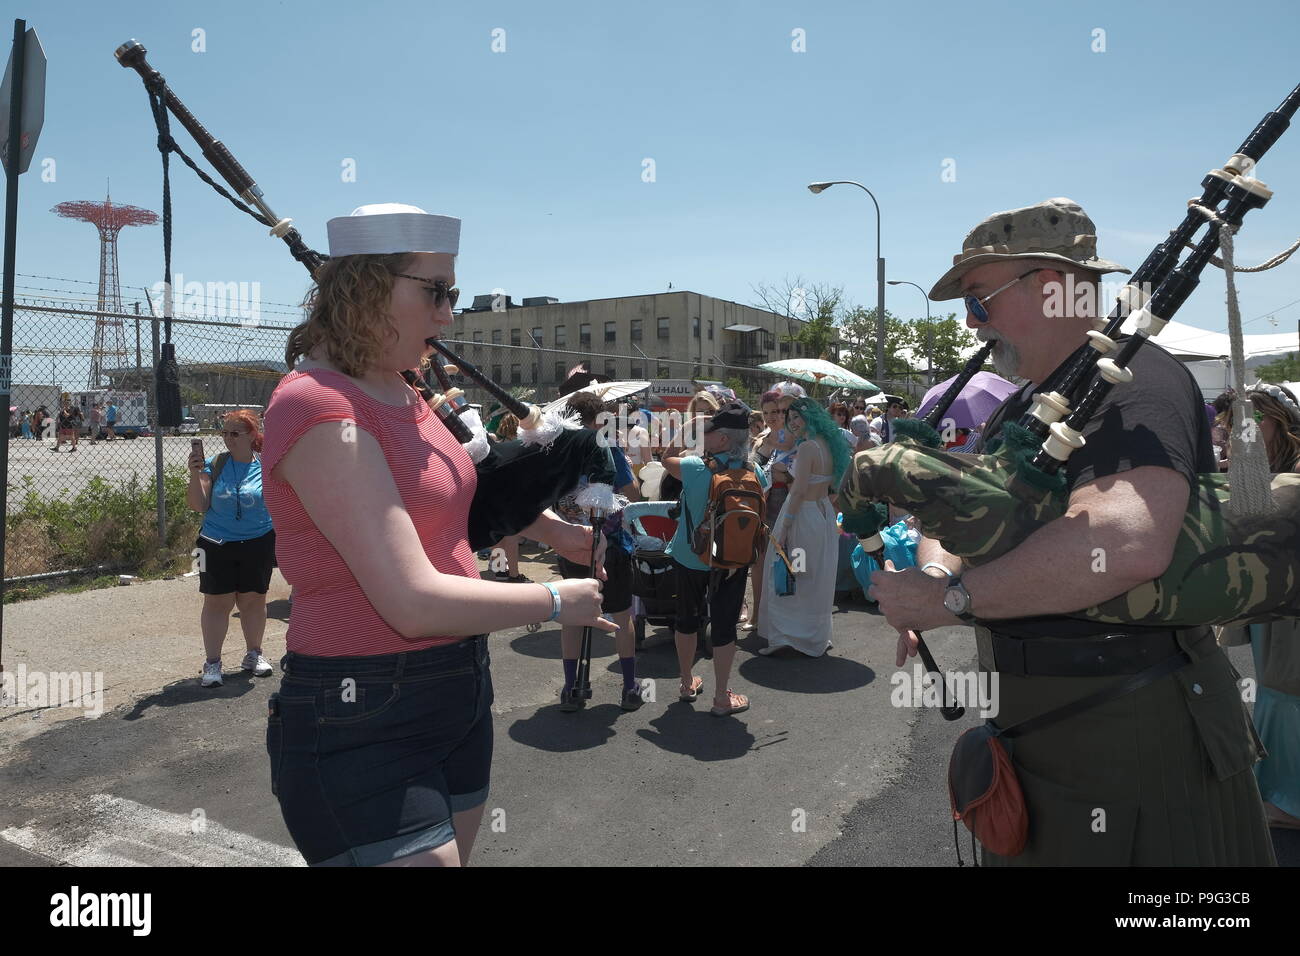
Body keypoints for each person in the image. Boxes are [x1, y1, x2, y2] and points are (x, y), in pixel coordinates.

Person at [868, 196, 1275, 865]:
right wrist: (939, 570)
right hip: (1045, 728)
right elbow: (963, 504)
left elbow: (1124, 541)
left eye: (979, 300)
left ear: (1050, 287)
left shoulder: (1135, 382)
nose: (974, 326)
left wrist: (950, 603)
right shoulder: (1031, 402)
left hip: (1135, 733)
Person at [260, 203, 612, 867]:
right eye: (437, 293)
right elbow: (411, 600)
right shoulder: (317, 402)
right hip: (358, 702)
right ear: (365, 287)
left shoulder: (404, 387)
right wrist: (561, 600)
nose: (449, 314)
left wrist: (560, 534)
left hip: (458, 687)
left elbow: (450, 495)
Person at [1218, 383, 1300, 831]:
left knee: (1287, 688)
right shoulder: (1268, 470)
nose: (1230, 434)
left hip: (1290, 612)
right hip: (1280, 609)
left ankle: (1289, 802)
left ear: (1272, 424)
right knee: (1278, 687)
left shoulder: (1293, 474)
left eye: (1241, 424)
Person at [664, 401, 768, 716]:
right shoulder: (756, 471)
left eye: (709, 432)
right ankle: (722, 696)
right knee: (724, 627)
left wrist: (687, 426)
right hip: (732, 561)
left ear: (722, 440)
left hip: (690, 556)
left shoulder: (695, 468)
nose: (704, 435)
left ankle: (686, 683)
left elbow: (664, 457)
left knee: (686, 620)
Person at [551, 392, 642, 712]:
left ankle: (569, 686)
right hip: (612, 543)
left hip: (569, 543)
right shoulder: (606, 447)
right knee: (620, 614)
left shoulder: (557, 449)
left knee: (572, 618)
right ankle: (630, 687)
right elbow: (633, 492)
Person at [186, 410, 277, 687]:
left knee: (253, 600)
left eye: (234, 434)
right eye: (224, 433)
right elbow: (198, 505)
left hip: (258, 541)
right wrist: (195, 473)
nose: (228, 439)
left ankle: (254, 654)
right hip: (216, 543)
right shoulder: (216, 464)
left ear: (253, 435)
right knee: (217, 602)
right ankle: (212, 663)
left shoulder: (265, 464)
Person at [757, 397, 849, 657]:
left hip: (802, 516)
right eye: (791, 417)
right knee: (815, 576)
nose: (793, 422)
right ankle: (813, 636)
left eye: (798, 417)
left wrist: (784, 528)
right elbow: (830, 486)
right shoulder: (829, 445)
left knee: (790, 573)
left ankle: (789, 637)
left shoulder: (808, 447)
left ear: (813, 418)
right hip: (822, 514)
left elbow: (797, 493)